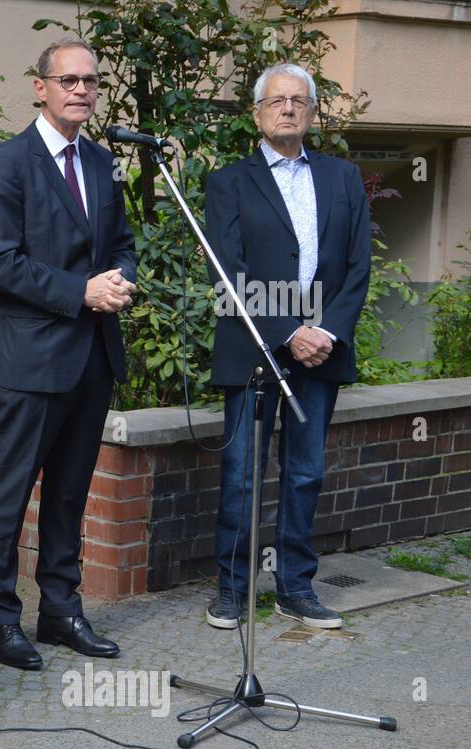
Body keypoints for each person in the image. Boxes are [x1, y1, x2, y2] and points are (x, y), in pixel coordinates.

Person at [0, 37, 137, 671]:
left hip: (93, 356)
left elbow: (121, 241)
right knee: (9, 493)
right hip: (34, 358)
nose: (81, 90)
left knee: (70, 492)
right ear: (39, 87)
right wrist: (82, 291)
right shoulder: (7, 162)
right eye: (68, 80)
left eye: (91, 81)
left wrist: (120, 276)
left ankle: (60, 611)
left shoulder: (101, 163)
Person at [203, 62, 371, 631]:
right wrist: (287, 331)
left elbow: (357, 267)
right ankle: (231, 589)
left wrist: (323, 331)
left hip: (322, 351)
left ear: (313, 112)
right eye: (277, 100)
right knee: (242, 472)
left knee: (304, 472)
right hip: (254, 346)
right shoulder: (228, 181)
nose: (289, 109)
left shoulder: (343, 178)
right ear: (256, 112)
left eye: (300, 100)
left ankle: (295, 587)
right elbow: (228, 269)